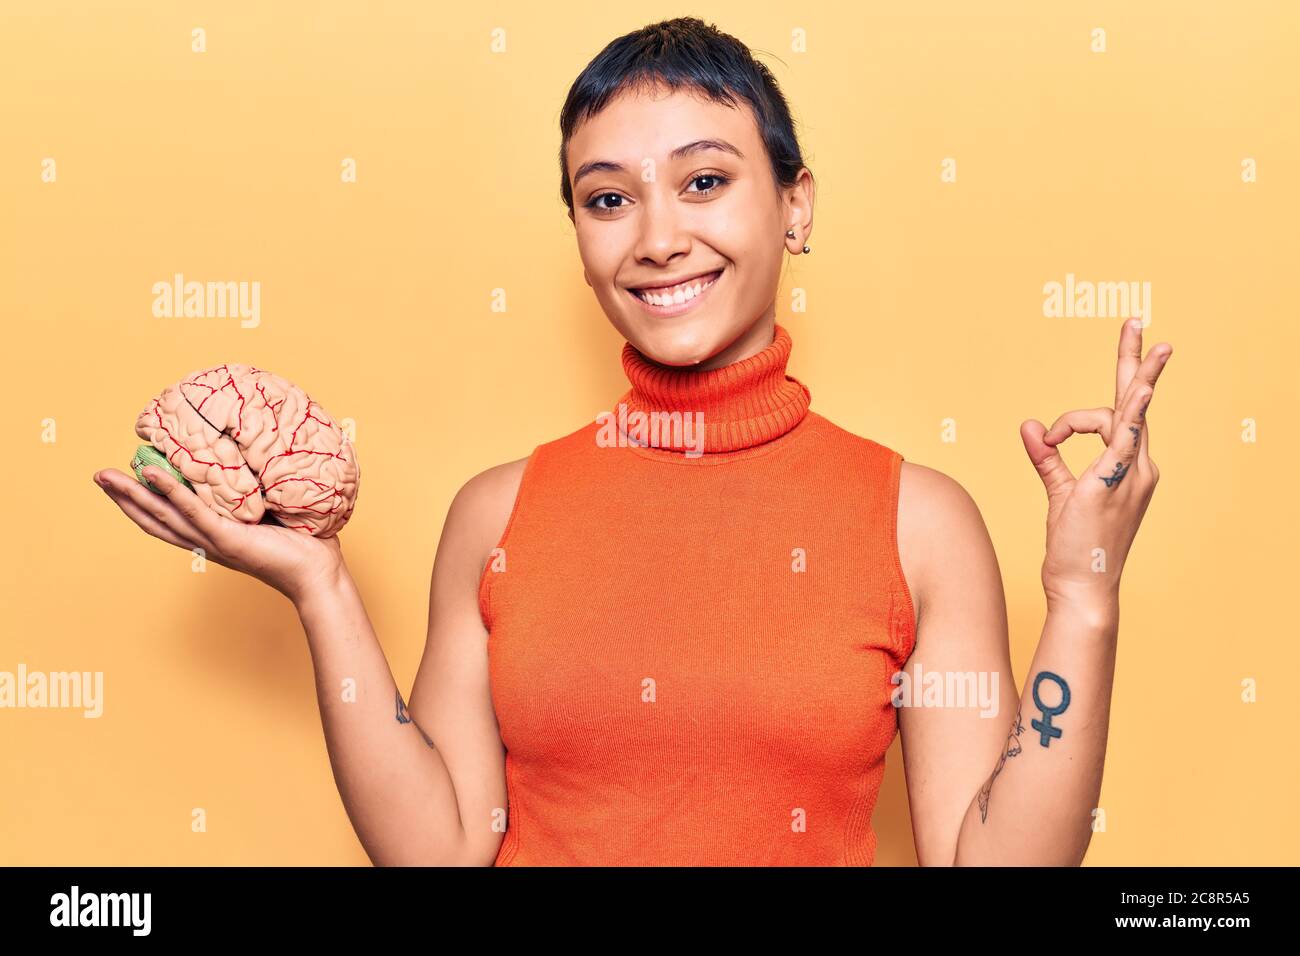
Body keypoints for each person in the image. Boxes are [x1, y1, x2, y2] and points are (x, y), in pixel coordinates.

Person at [92, 16, 1170, 866]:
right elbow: (439, 849)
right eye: (608, 199)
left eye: (705, 181)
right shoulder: (498, 514)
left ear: (794, 205)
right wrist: (321, 587)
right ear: (579, 235)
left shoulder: (918, 523)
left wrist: (1083, 596)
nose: (658, 238)